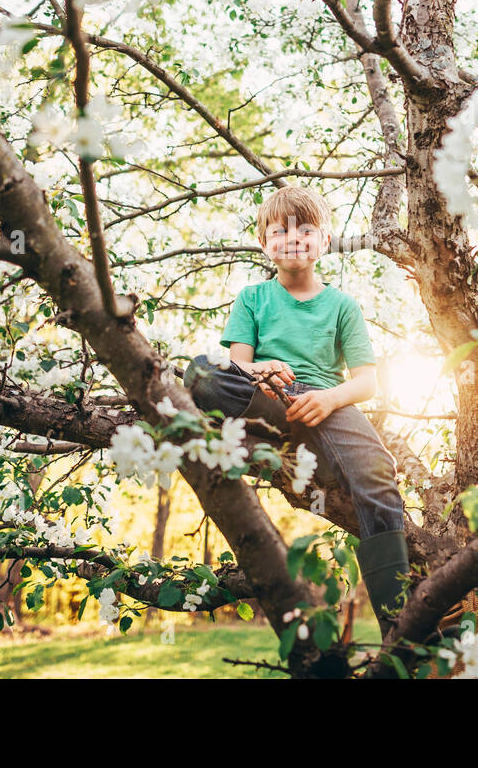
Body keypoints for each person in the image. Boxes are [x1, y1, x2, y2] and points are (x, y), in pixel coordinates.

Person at [182, 184, 410, 638]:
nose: (293, 238)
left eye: (306, 229)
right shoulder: (253, 298)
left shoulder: (342, 305)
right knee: (202, 371)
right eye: (279, 231)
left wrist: (328, 397)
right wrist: (261, 368)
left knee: (379, 475)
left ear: (324, 241)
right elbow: (237, 366)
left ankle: (402, 625)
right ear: (264, 243)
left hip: (327, 406)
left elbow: (368, 382)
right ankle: (279, 442)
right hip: (270, 399)